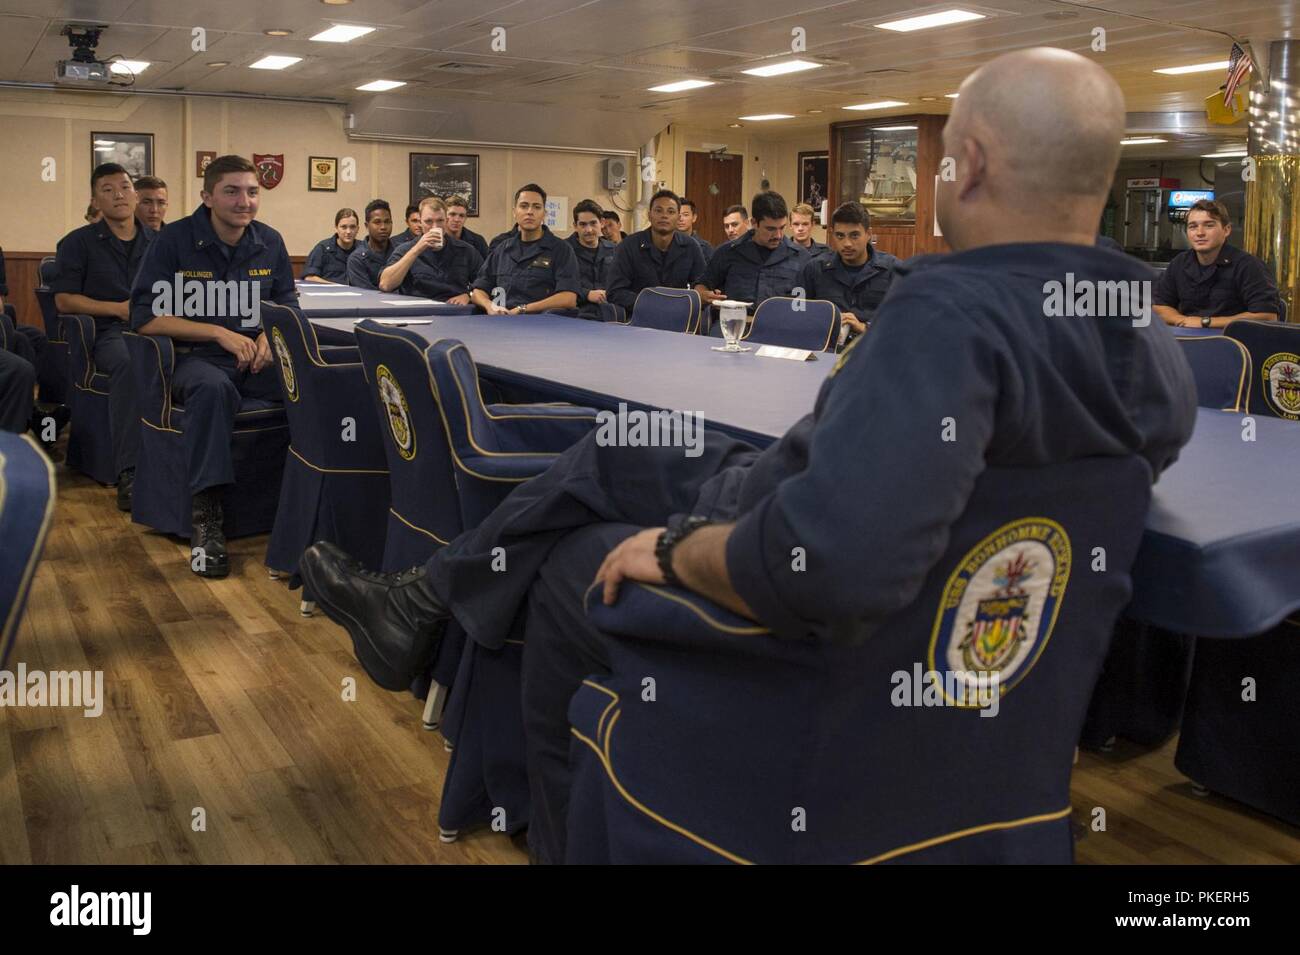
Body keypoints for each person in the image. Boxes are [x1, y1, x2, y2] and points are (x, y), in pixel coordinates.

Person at [300, 46, 1199, 865]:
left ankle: (564, 823)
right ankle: (420, 603)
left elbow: (830, 566)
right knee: (621, 445)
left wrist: (671, 550)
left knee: (568, 564)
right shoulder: (1143, 337)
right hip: (949, 658)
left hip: (817, 683)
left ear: (975, 165)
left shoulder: (947, 318)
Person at [130, 155, 297, 579]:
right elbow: (144, 317)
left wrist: (266, 338)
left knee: (311, 387)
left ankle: (307, 504)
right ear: (207, 197)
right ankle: (207, 517)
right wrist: (217, 332)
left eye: (252, 191)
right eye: (232, 191)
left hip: (256, 361)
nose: (245, 201)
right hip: (195, 360)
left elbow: (286, 305)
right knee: (213, 391)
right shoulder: (172, 242)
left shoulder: (270, 242)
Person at [53, 162, 155, 508]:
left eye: (125, 187)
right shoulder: (77, 243)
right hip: (111, 332)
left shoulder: (159, 241)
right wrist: (117, 309)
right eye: (108, 190)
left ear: (135, 193)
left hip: (159, 327)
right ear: (95, 199)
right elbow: (64, 300)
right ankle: (130, 471)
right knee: (130, 362)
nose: (119, 195)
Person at [1153, 199, 1280, 329]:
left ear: (1226, 230)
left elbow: (1267, 316)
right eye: (1193, 226)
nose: (1200, 233)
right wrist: (1182, 320)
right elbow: (1159, 306)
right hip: (1186, 340)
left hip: (1231, 343)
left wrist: (1205, 322)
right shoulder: (1179, 263)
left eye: (1209, 225)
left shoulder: (1248, 265)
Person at [470, 184, 580, 315]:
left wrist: (523, 309)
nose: (530, 211)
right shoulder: (502, 249)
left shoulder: (562, 250)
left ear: (544, 214)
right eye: (524, 206)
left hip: (542, 325)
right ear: (514, 212)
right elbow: (478, 291)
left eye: (536, 207)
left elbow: (568, 298)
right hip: (501, 322)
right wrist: (490, 306)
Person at [797, 202, 898, 344]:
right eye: (840, 236)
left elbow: (905, 320)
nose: (847, 243)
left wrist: (864, 327)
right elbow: (796, 314)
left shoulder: (893, 270)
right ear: (832, 234)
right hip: (825, 350)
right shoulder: (814, 269)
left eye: (854, 235)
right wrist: (825, 322)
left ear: (868, 234)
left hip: (873, 348)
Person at [695, 191, 809, 308]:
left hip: (781, 323)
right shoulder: (728, 252)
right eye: (770, 229)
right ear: (754, 223)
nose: (778, 235)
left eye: (782, 228)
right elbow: (702, 285)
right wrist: (704, 295)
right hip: (735, 321)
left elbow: (808, 306)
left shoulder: (800, 257)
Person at [605, 190, 707, 313]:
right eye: (658, 210)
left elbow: (700, 281)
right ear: (649, 215)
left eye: (671, 211)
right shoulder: (628, 246)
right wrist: (653, 304)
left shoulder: (691, 246)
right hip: (638, 318)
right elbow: (615, 291)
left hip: (678, 316)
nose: (664, 215)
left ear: (678, 217)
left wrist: (703, 292)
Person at [378, 196, 482, 304]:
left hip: (454, 311)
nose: (434, 226)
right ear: (420, 223)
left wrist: (469, 295)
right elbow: (385, 285)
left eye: (440, 221)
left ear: (446, 221)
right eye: (428, 221)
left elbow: (485, 284)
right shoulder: (405, 249)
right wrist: (417, 249)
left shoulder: (466, 250)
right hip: (417, 312)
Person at [565, 199, 617, 319]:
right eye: (583, 224)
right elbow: (556, 286)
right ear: (575, 226)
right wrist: (587, 294)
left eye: (593, 223)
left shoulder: (615, 250)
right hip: (574, 316)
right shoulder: (563, 251)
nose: (588, 230)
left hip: (610, 315)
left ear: (602, 223)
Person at [346, 200, 395, 290]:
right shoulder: (357, 259)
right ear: (366, 225)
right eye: (377, 222)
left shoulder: (400, 252)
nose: (383, 227)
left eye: (387, 221)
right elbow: (367, 295)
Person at [302, 208, 360, 284]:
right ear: (336, 228)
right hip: (328, 293)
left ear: (358, 229)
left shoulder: (363, 250)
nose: (348, 231)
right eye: (344, 227)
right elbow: (309, 277)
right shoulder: (322, 248)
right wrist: (336, 286)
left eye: (352, 227)